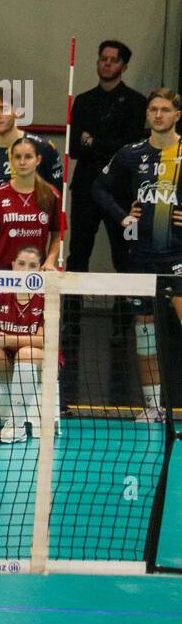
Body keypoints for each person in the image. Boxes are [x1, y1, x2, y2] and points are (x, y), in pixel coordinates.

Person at [94, 88, 182, 423]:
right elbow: (98, 188)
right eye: (153, 109)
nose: (158, 115)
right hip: (141, 256)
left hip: (177, 254)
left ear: (177, 115)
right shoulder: (131, 153)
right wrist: (121, 216)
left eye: (165, 110)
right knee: (144, 331)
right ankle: (152, 407)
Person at [67, 40, 149, 273]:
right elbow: (75, 148)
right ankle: (72, 310)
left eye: (113, 60)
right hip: (85, 186)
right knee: (79, 251)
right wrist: (105, 145)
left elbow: (128, 148)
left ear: (123, 66)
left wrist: (92, 141)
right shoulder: (83, 101)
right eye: (103, 59)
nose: (107, 64)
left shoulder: (136, 102)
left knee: (124, 251)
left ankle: (124, 308)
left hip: (120, 190)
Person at [0, 246, 48, 443]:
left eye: (32, 265)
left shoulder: (47, 297)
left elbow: (44, 341)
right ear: (13, 265)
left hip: (39, 360)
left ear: (40, 270)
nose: (25, 269)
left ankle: (17, 425)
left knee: (28, 352)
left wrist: (11, 340)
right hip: (6, 358)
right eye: (21, 263)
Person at [0, 137, 61, 271]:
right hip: (0, 273)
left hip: (35, 274)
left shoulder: (52, 194)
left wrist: (50, 262)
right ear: (11, 160)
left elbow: (57, 235)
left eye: (28, 157)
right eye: (17, 157)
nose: (22, 162)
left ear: (38, 160)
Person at [0, 98, 62, 214]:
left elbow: (57, 199)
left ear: (17, 111)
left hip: (35, 228)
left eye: (3, 109)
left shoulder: (44, 149)